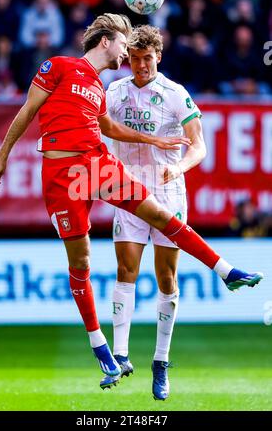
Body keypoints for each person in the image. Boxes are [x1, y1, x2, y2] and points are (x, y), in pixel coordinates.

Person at [0, 13, 263, 393]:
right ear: (106, 41)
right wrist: (2, 155)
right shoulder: (59, 67)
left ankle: (225, 270)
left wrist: (155, 142)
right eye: (124, 45)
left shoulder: (103, 88)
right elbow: (26, 111)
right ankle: (102, 347)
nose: (127, 54)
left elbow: (110, 129)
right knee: (81, 261)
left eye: (139, 51)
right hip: (61, 176)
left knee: (159, 213)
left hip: (97, 164)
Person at [104, 24, 205, 399]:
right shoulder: (115, 91)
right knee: (126, 269)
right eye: (134, 59)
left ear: (158, 57)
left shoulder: (176, 94)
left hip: (168, 193)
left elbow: (198, 146)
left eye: (147, 59)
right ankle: (120, 354)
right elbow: (102, 127)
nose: (141, 65)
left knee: (166, 278)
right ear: (128, 59)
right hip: (129, 191)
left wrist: (179, 167)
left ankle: (160, 362)